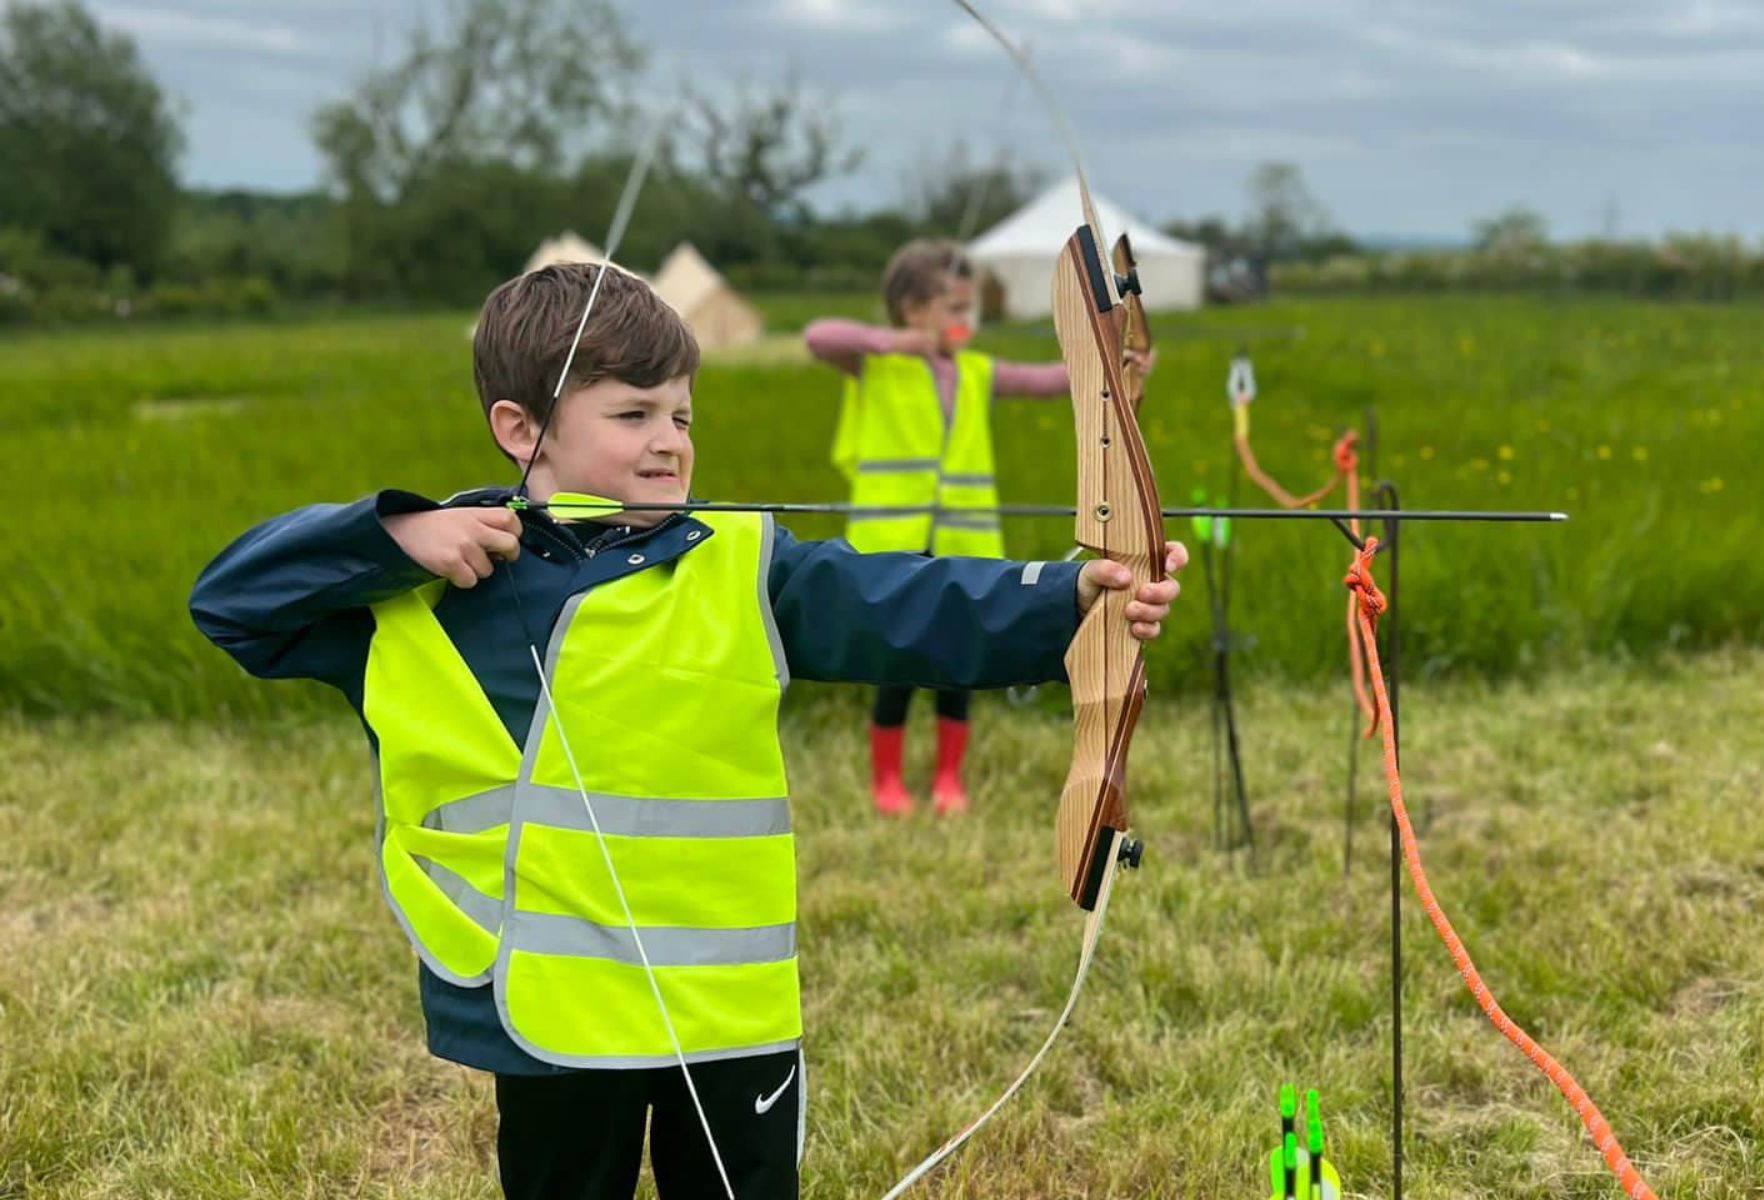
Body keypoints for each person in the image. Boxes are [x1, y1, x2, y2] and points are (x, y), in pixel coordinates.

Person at [190, 263, 1184, 1200]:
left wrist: (1070, 600)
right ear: (520, 428)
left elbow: (903, 604)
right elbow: (233, 602)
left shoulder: (743, 565)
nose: (668, 440)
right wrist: (392, 535)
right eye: (632, 414)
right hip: (548, 1008)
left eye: (681, 415)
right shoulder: (437, 582)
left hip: (726, 1007)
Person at [804, 238, 1154, 817]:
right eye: (953, 307)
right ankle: (887, 782)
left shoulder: (975, 370)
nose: (965, 319)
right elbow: (820, 337)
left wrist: (1115, 365)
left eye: (967, 307)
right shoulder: (878, 363)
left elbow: (1049, 381)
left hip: (961, 545)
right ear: (913, 309)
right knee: (893, 666)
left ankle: (949, 779)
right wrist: (898, 342)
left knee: (956, 661)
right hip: (890, 547)